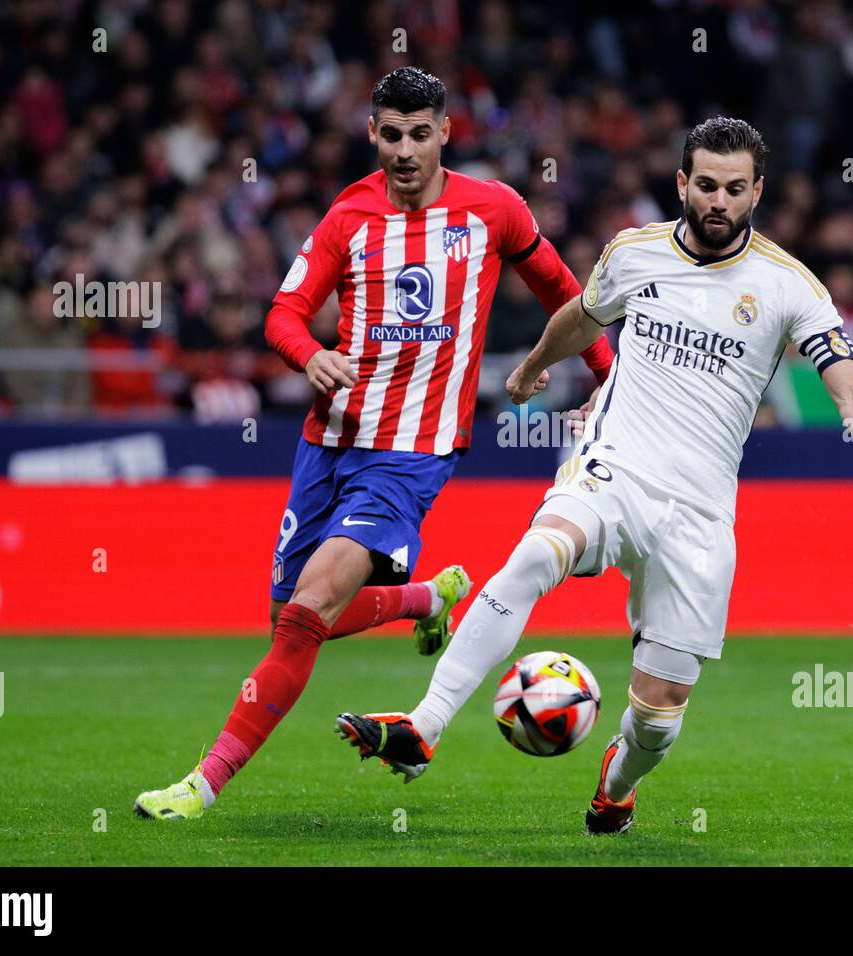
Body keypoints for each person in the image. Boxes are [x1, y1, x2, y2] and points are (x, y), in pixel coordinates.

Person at [336, 116, 853, 832]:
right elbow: (584, 315)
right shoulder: (635, 252)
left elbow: (845, 376)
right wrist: (535, 366)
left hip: (699, 516)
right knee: (536, 554)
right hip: (613, 468)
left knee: (657, 719)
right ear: (684, 183)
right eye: (708, 185)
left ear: (757, 193)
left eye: (736, 189)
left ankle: (617, 784)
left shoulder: (790, 287)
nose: (720, 201)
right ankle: (424, 726)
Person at [134, 67, 613, 821]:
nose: (405, 150)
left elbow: (566, 293)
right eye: (390, 134)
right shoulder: (348, 217)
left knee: (310, 608)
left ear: (446, 133)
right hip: (329, 441)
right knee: (290, 615)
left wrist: (606, 379)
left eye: (420, 134)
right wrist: (308, 354)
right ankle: (429, 595)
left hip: (411, 453)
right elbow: (284, 314)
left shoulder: (495, 210)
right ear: (372, 134)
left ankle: (202, 785)